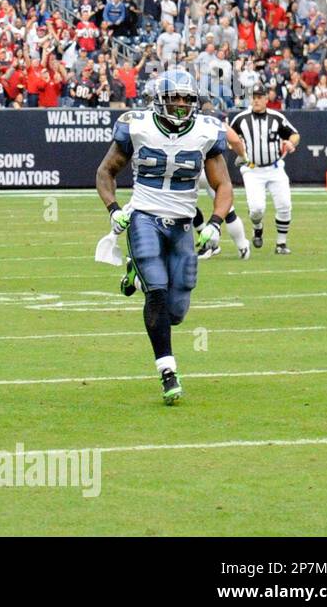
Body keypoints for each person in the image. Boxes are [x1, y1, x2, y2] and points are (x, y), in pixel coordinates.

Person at [97, 70, 235, 405]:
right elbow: (106, 171)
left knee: (176, 311)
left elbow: (223, 185)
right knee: (156, 291)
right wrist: (114, 209)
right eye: (174, 98)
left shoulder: (207, 131)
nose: (180, 105)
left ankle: (134, 270)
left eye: (187, 99)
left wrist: (215, 222)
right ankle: (168, 372)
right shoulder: (138, 125)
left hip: (183, 223)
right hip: (144, 216)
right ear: (160, 100)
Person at [229, 82, 300, 254]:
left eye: (259, 97)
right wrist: (238, 151)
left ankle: (281, 244)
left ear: (267, 99)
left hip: (275, 167)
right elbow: (229, 137)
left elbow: (295, 134)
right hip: (252, 169)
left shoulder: (276, 117)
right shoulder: (241, 119)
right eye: (254, 97)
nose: (256, 100)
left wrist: (290, 143)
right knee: (256, 209)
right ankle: (257, 227)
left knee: (284, 205)